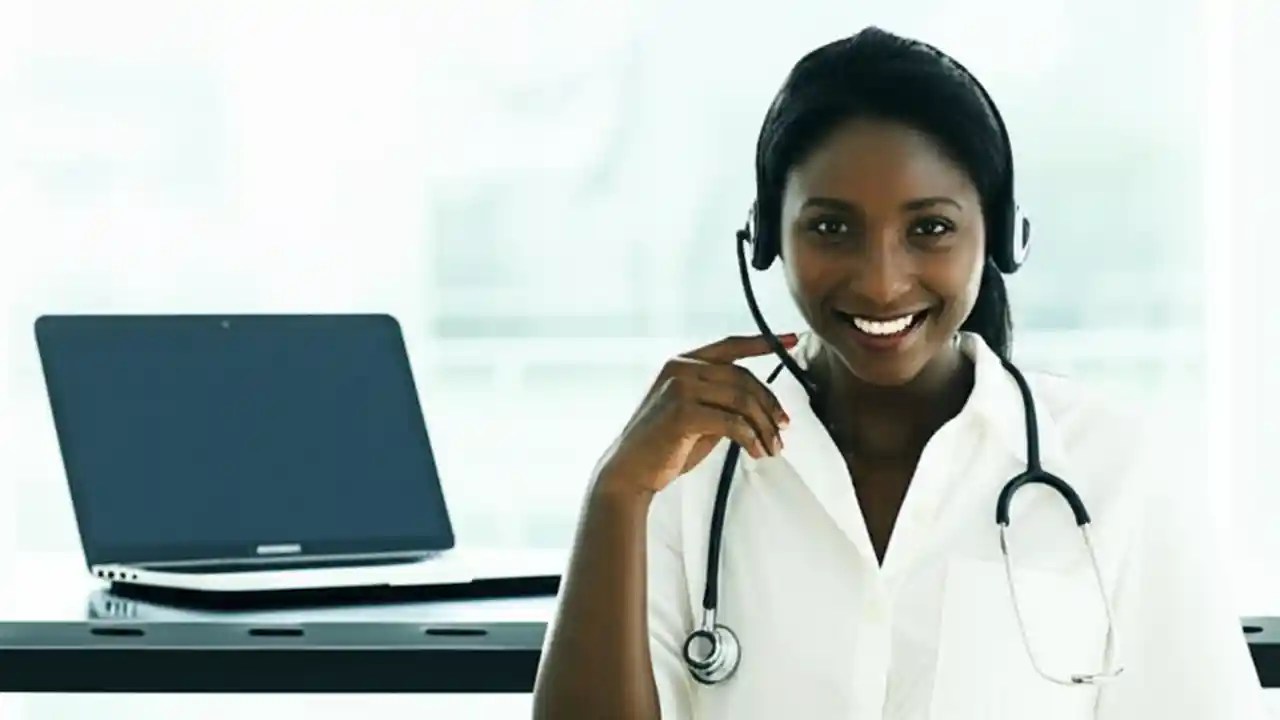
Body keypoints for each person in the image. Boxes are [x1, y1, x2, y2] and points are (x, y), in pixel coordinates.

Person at [531, 26, 1266, 719]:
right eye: (830, 227)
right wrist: (619, 492)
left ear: (1001, 235)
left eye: (930, 228)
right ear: (765, 237)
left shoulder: (1116, 466)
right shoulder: (687, 474)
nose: (882, 282)